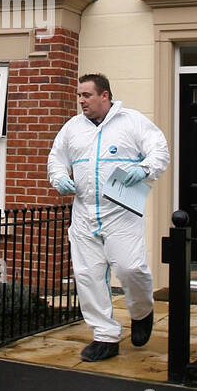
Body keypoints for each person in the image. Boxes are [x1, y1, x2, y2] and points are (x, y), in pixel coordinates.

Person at [47, 73, 169, 361]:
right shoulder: (72, 128)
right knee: (88, 275)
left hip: (122, 211)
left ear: (105, 95)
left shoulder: (132, 121)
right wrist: (60, 177)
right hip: (85, 212)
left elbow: (158, 148)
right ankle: (104, 335)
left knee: (131, 268)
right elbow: (56, 158)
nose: (81, 101)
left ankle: (142, 311)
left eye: (87, 95)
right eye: (79, 95)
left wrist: (146, 168)